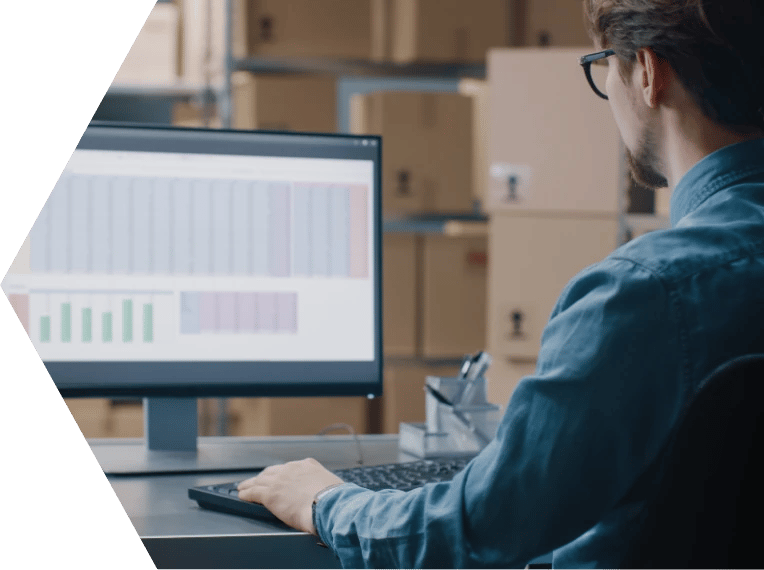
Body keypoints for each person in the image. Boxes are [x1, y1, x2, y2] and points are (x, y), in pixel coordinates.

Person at [236, 1, 764, 567]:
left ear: (650, 74)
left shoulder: (645, 295)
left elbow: (474, 532)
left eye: (607, 63)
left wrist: (326, 502)